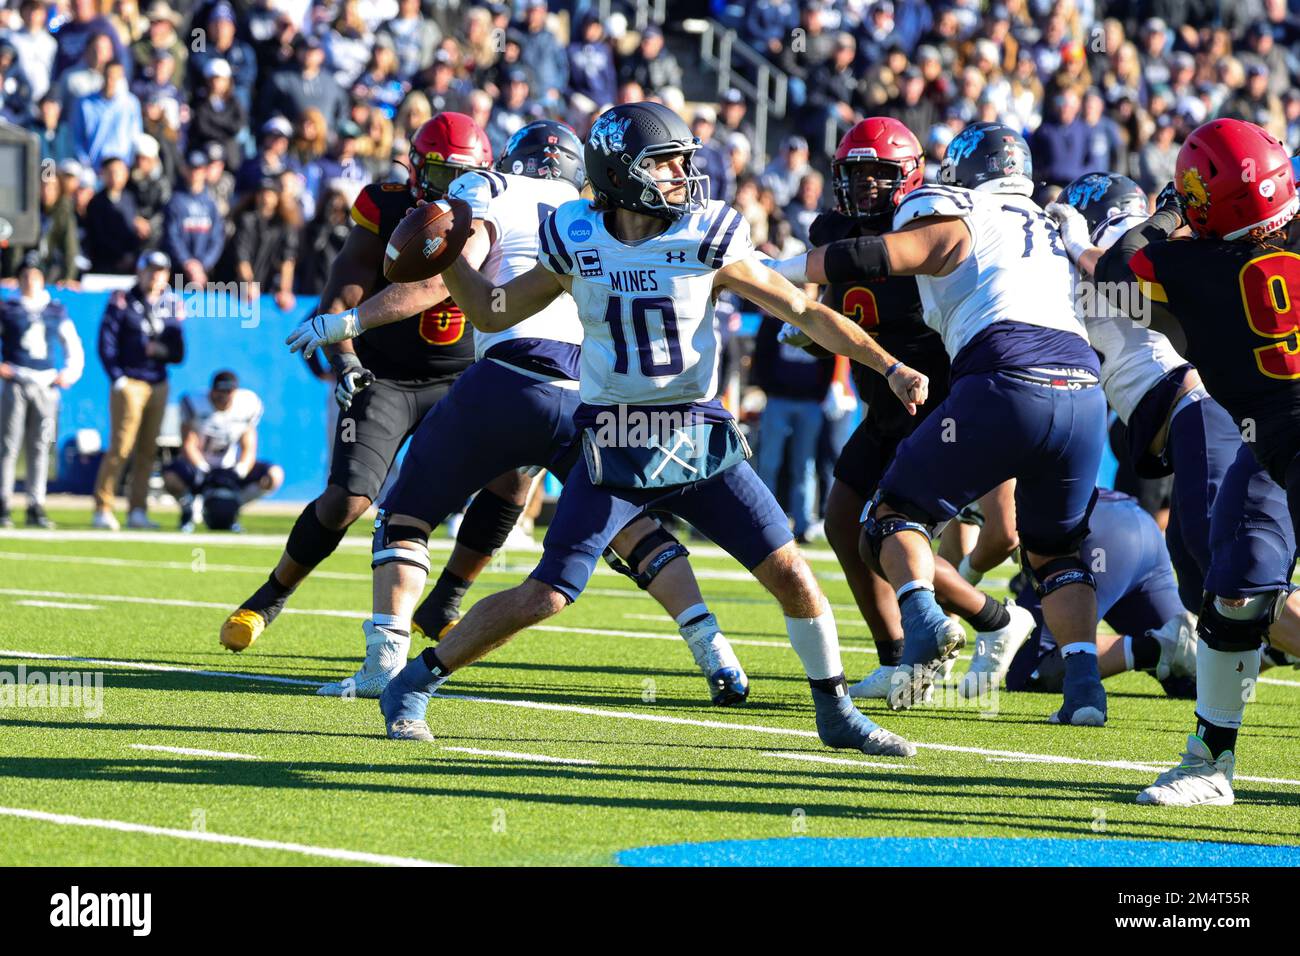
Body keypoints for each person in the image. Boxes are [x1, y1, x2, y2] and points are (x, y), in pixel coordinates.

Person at [374, 102, 927, 756]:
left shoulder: (706, 232)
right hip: (614, 436)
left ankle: (833, 712)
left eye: (680, 163)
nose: (680, 177)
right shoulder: (575, 234)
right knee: (550, 593)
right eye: (663, 164)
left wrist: (889, 365)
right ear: (619, 171)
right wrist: (449, 262)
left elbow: (805, 310)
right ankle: (413, 681)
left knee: (792, 573)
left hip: (696, 429)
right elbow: (495, 309)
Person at [288, 120, 751, 705]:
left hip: (509, 377)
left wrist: (348, 323)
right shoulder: (593, 212)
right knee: (630, 526)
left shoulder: (490, 189)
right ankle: (715, 651)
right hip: (590, 388)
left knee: (406, 514)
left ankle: (385, 663)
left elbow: (445, 275)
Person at [775, 122, 1108, 725]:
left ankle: (981, 622)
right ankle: (1063, 680)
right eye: (858, 174)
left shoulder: (951, 215)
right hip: (1063, 385)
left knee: (895, 522)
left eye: (882, 173)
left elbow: (878, 257)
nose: (869, 186)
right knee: (1049, 549)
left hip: (970, 390)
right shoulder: (1042, 226)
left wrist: (765, 269)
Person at [218, 113, 529, 663]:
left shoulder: (499, 211)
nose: (449, 186)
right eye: (438, 171)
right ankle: (269, 597)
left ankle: (445, 600)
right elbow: (342, 291)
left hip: (462, 377)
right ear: (414, 166)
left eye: (462, 174)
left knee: (515, 479)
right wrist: (346, 361)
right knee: (349, 499)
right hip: (385, 375)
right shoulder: (385, 208)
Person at [1056, 118, 1300, 805]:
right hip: (1261, 444)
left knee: (1235, 592)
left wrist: (1166, 209)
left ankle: (1210, 761)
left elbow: (1114, 266)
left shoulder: (1196, 268)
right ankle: (1210, 762)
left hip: (1273, 437)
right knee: (1232, 587)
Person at [92, 250, 184, 530]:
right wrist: (117, 377)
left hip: (158, 381)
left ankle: (137, 510)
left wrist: (160, 350)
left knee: (147, 451)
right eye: (151, 270)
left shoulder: (171, 304)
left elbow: (179, 353)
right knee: (121, 447)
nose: (155, 276)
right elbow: (106, 343)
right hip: (130, 381)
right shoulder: (122, 300)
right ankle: (103, 507)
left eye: (161, 271)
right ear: (140, 271)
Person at [0, 255, 83, 529]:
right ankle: (3, 503)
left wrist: (68, 374)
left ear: (43, 278)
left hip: (45, 384)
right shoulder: (8, 307)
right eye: (25, 275)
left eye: (35, 275)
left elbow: (72, 345)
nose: (30, 281)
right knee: (8, 446)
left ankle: (36, 504)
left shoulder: (55, 309)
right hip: (17, 381)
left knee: (41, 446)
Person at [163, 370, 283, 532]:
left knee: (274, 475)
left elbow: (249, 445)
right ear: (211, 390)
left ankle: (233, 505)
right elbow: (188, 443)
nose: (223, 396)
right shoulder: (194, 402)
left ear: (235, 392)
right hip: (200, 467)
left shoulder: (247, 404)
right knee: (170, 478)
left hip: (229, 468)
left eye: (228, 392)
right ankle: (189, 508)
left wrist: (239, 471)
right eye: (220, 391)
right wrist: (202, 468)